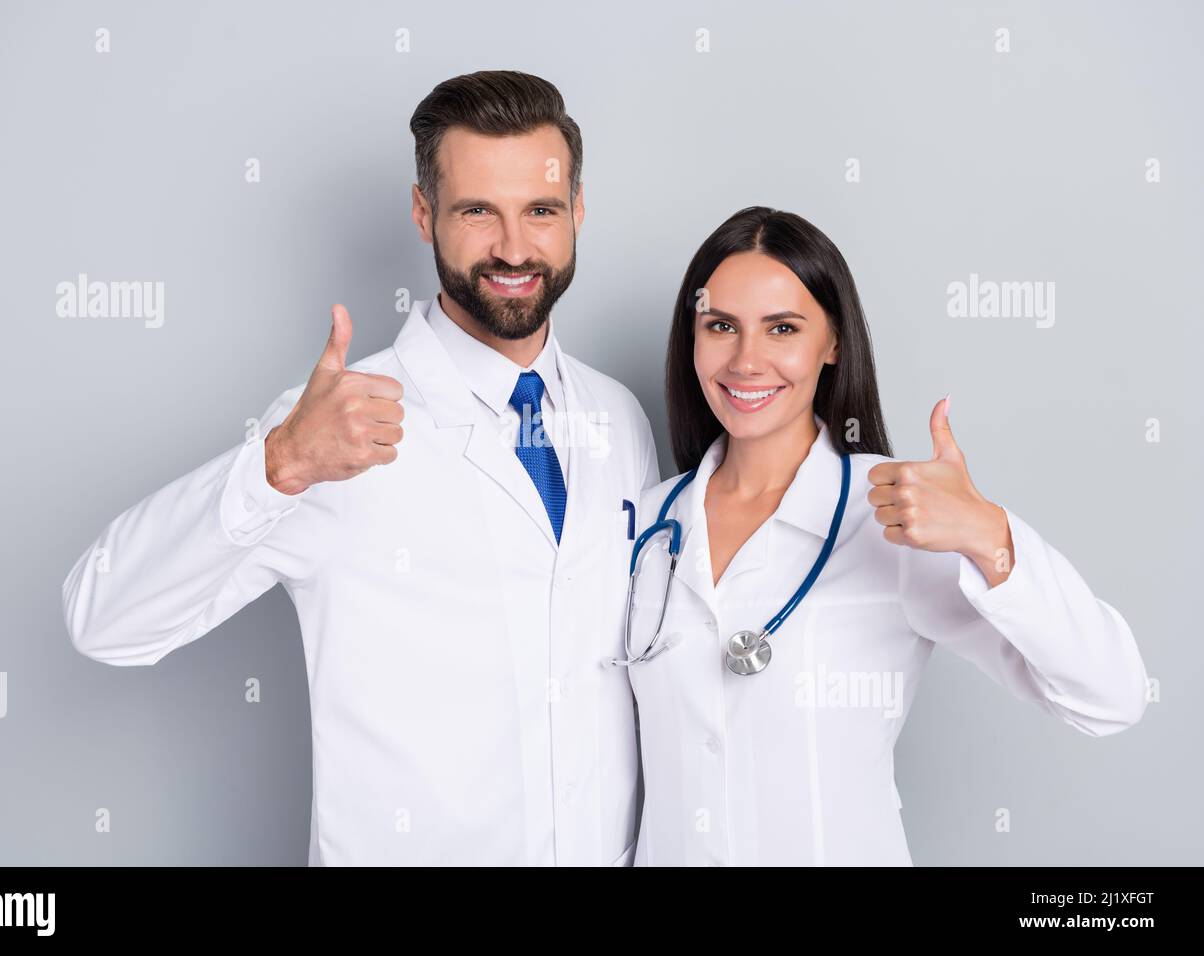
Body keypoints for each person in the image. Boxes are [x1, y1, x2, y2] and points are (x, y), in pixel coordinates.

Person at [61, 71, 658, 866]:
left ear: (577, 211)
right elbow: (105, 620)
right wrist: (278, 464)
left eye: (540, 211)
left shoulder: (618, 419)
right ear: (423, 214)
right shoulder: (328, 430)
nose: (514, 248)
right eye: (477, 210)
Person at [622, 206, 1148, 866]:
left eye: (782, 328)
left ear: (832, 343)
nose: (746, 360)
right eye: (721, 326)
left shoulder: (893, 513)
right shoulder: (645, 526)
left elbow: (1112, 697)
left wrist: (989, 535)